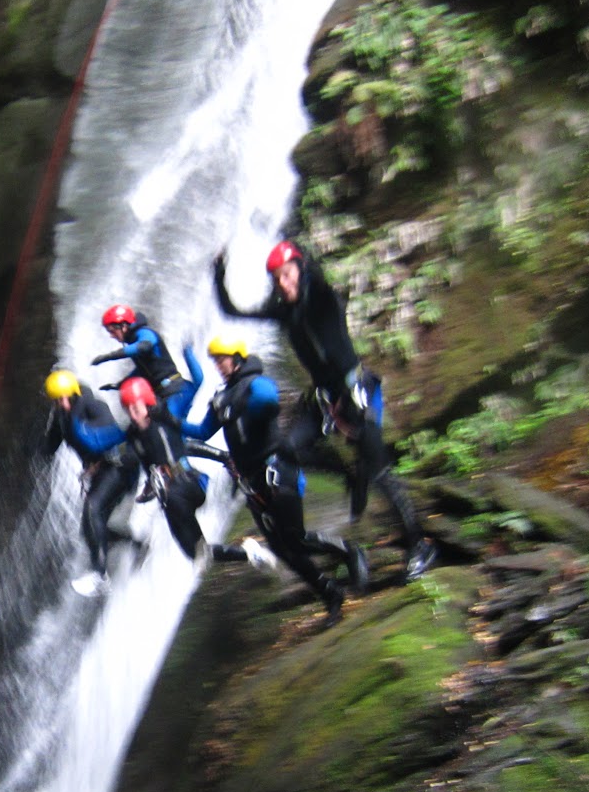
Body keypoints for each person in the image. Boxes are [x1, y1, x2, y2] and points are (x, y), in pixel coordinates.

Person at [213, 241, 437, 581]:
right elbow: (232, 311)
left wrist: (294, 246)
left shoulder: (323, 300)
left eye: (287, 275)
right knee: (290, 450)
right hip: (325, 401)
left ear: (301, 270)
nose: (283, 284)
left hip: (357, 394)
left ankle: (420, 544)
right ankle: (348, 475)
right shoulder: (284, 312)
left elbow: (313, 276)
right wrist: (218, 271)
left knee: (380, 474)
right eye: (277, 280)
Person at [184, 339, 367, 621]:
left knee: (297, 539)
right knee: (283, 549)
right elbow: (201, 431)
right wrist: (166, 419)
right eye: (215, 361)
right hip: (253, 485)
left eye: (221, 359)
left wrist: (237, 406)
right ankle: (330, 593)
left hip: (279, 473)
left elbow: (269, 401)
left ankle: (350, 552)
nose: (218, 366)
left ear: (237, 358)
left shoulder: (255, 383)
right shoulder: (223, 397)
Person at [70, 373, 212, 562]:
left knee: (192, 537)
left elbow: (197, 385)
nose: (132, 414)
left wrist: (186, 353)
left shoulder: (167, 413)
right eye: (128, 409)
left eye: (136, 407)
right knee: (194, 553)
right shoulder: (132, 433)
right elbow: (95, 442)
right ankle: (247, 554)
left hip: (189, 484)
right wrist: (70, 417)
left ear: (147, 402)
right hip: (169, 494)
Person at [40, 368, 140, 594]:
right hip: (101, 473)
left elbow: (110, 438)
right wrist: (29, 448)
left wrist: (97, 462)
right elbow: (49, 446)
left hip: (119, 468)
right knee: (90, 527)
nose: (63, 404)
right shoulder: (61, 417)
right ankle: (137, 545)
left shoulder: (93, 406)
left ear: (74, 393)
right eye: (57, 401)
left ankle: (100, 575)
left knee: (93, 510)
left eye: (65, 399)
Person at [90, 304, 203, 420]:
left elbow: (143, 346)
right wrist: (120, 384)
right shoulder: (133, 341)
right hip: (164, 393)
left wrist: (108, 356)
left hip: (176, 390)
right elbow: (143, 370)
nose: (111, 336)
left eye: (113, 331)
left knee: (169, 426)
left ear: (123, 325)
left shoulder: (145, 333)